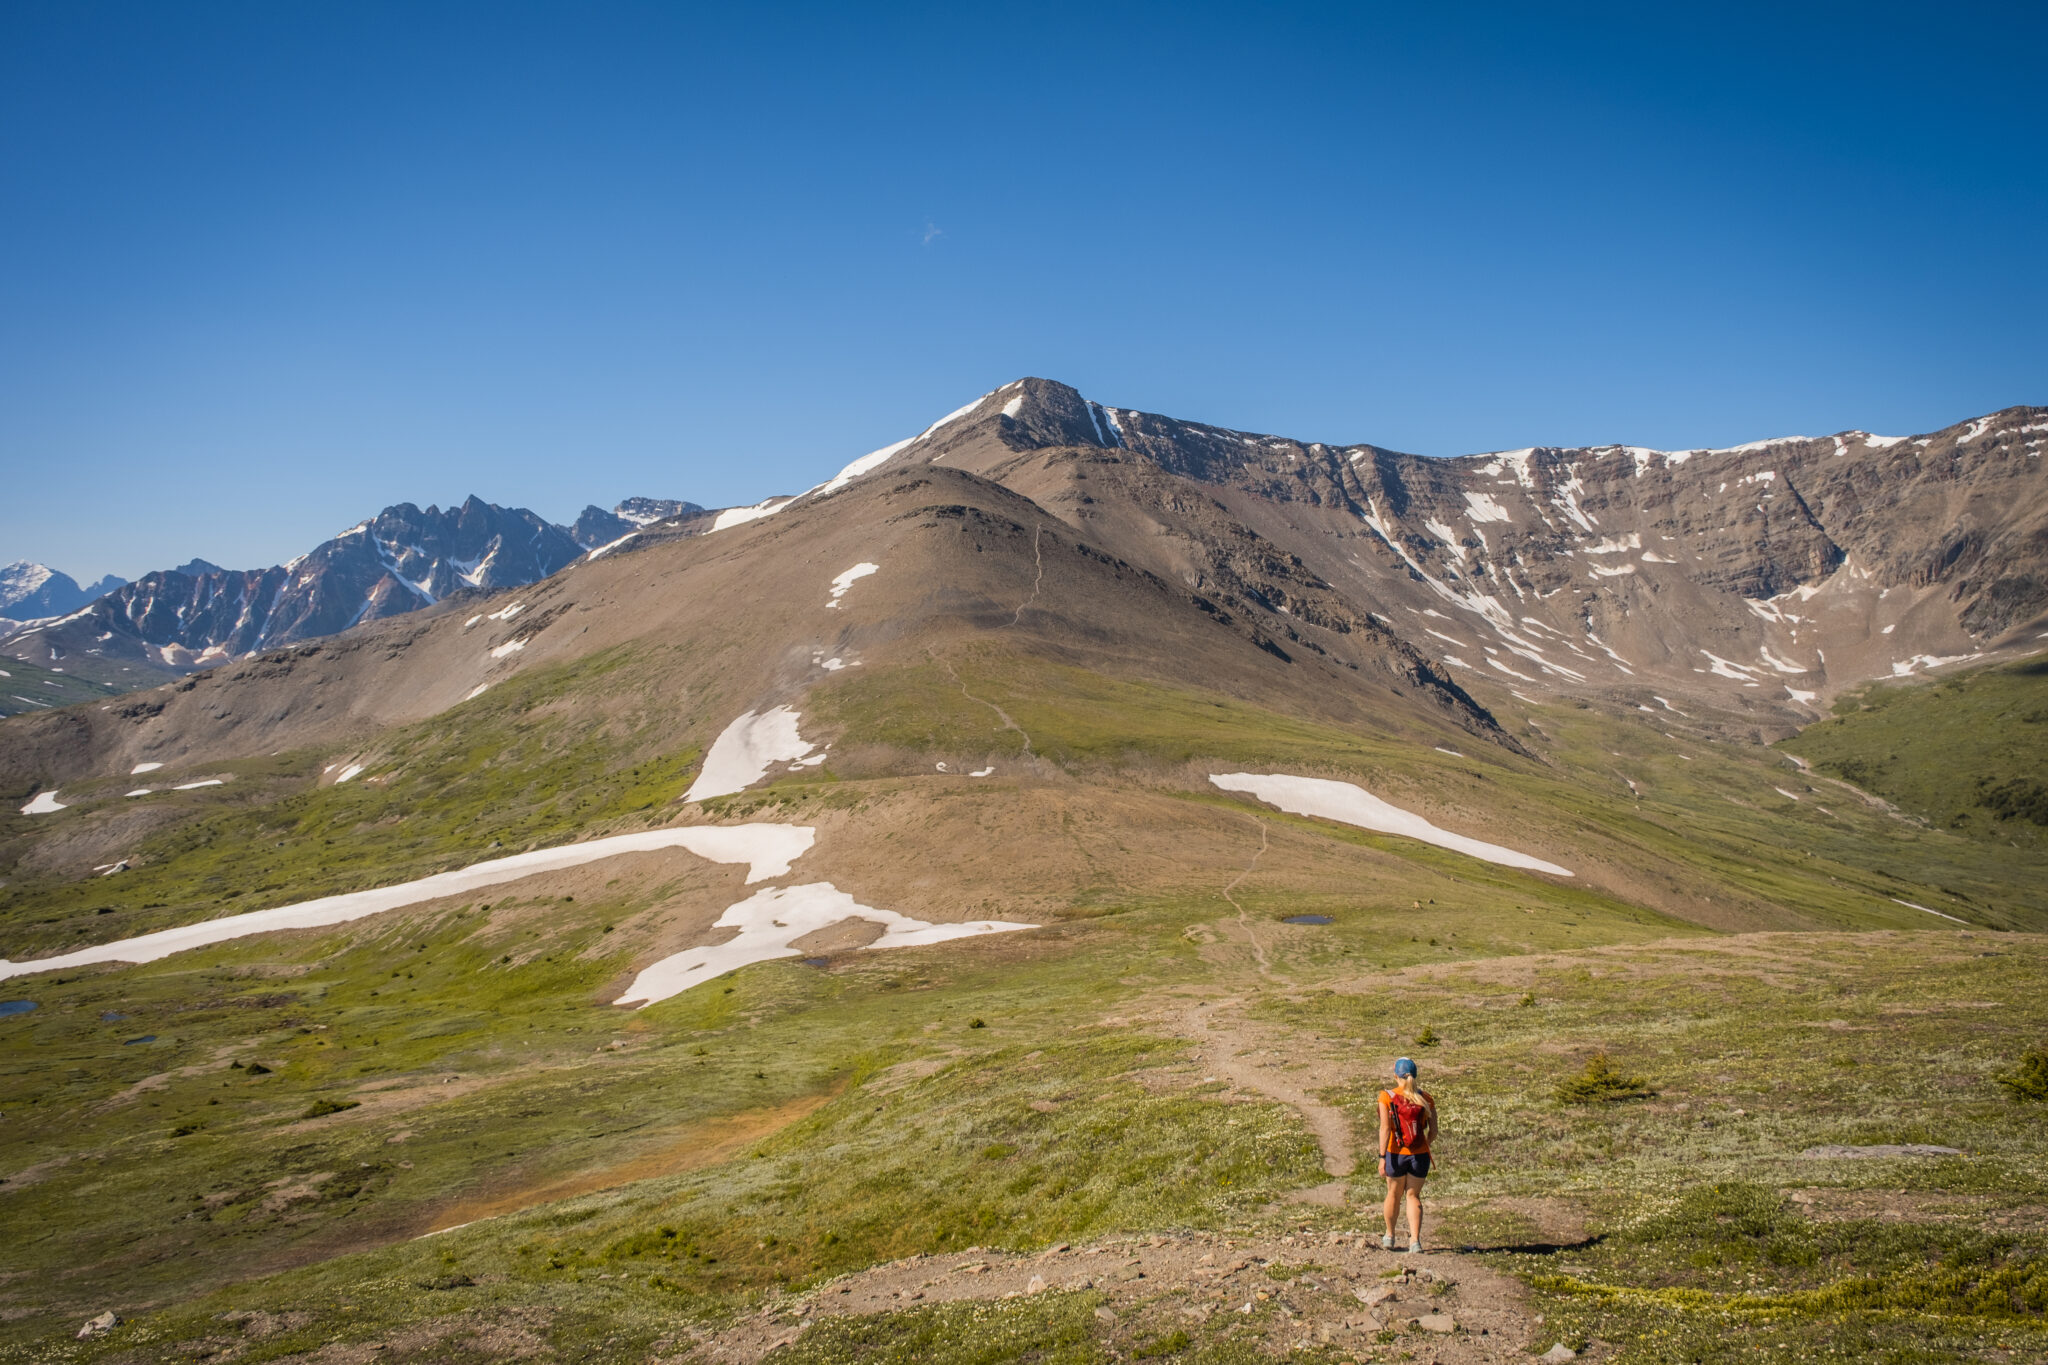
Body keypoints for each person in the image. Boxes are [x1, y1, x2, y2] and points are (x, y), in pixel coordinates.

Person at [1377, 1056, 1437, 1253]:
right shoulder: (1426, 1099)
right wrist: (1424, 1145)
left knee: (1393, 1194)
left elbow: (1385, 1129)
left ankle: (1389, 1235)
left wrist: (1382, 1157)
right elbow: (1434, 1131)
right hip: (1419, 1155)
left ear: (1396, 1076)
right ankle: (1415, 1241)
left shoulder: (1386, 1097)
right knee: (1413, 1196)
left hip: (1395, 1153)